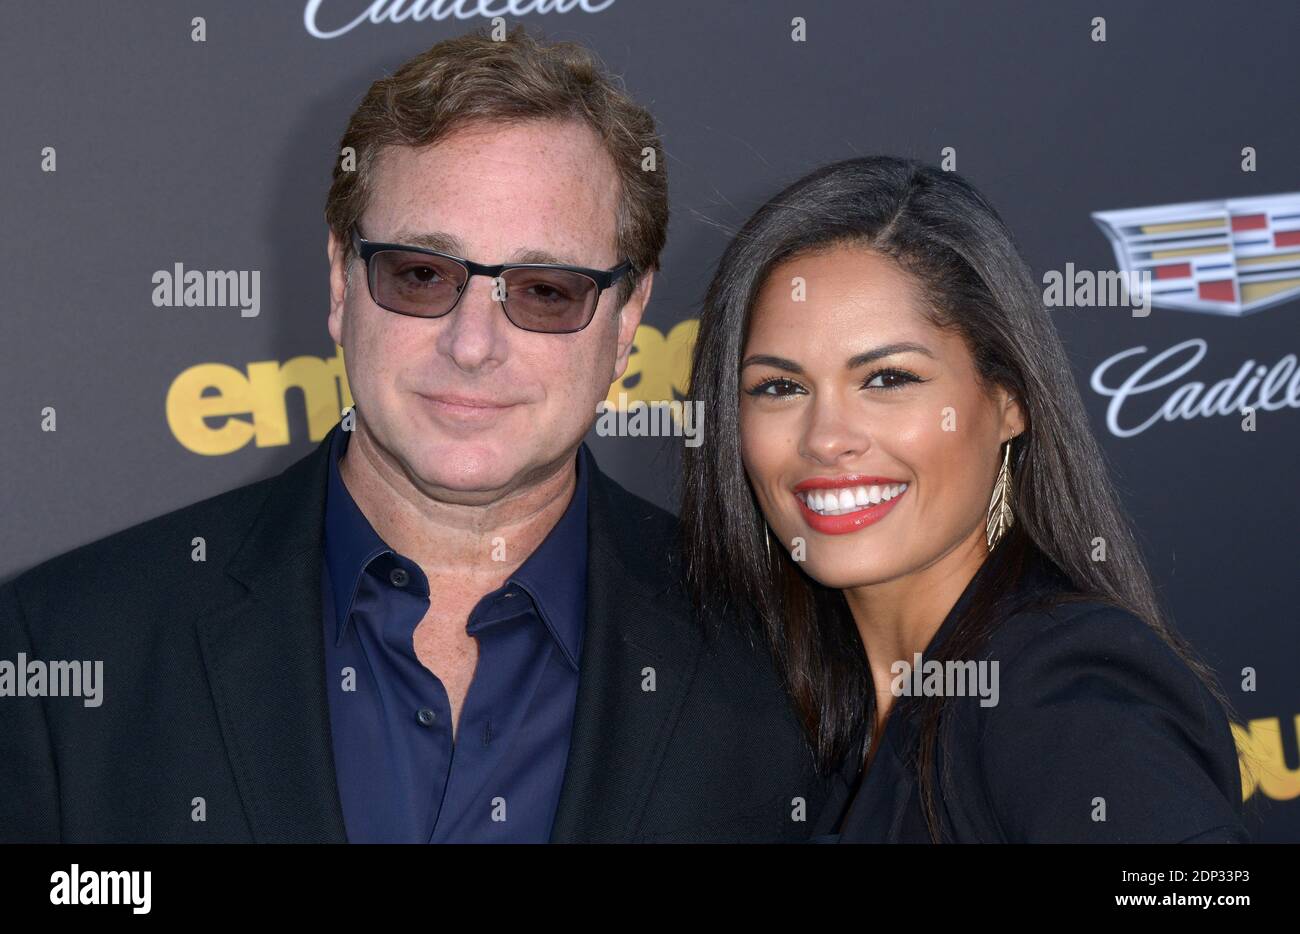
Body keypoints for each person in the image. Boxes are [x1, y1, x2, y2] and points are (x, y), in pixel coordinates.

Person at [0, 27, 830, 843]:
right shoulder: (68, 651)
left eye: (545, 291)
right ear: (340, 283)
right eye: (422, 275)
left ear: (625, 322)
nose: (472, 345)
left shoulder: (783, 661)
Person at [681, 155, 1255, 843]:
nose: (827, 439)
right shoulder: (814, 716)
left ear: (1008, 400)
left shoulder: (1052, 682)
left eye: (888, 378)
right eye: (779, 387)